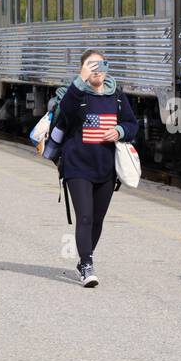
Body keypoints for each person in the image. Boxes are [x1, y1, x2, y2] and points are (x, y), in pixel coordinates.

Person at [46, 50, 138, 287]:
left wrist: (119, 131)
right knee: (85, 216)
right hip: (77, 166)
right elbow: (65, 112)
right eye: (90, 65)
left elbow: (132, 124)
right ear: (82, 69)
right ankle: (87, 264)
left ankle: (84, 259)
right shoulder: (74, 94)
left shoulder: (115, 95)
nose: (97, 69)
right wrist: (80, 81)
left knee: (97, 219)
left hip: (105, 168)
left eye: (101, 64)